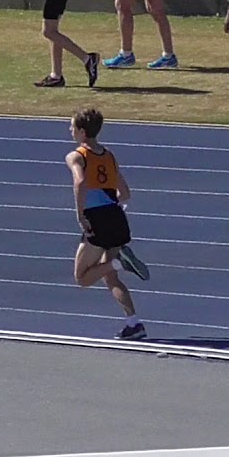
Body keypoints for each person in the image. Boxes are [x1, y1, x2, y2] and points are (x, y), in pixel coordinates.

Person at [65, 107, 151, 341]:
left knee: (82, 278)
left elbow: (80, 182)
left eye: (72, 127)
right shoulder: (109, 156)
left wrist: (81, 215)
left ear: (82, 132)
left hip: (98, 220)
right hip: (116, 218)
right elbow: (125, 193)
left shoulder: (76, 156)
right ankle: (134, 323)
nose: (70, 130)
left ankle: (120, 263)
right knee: (108, 275)